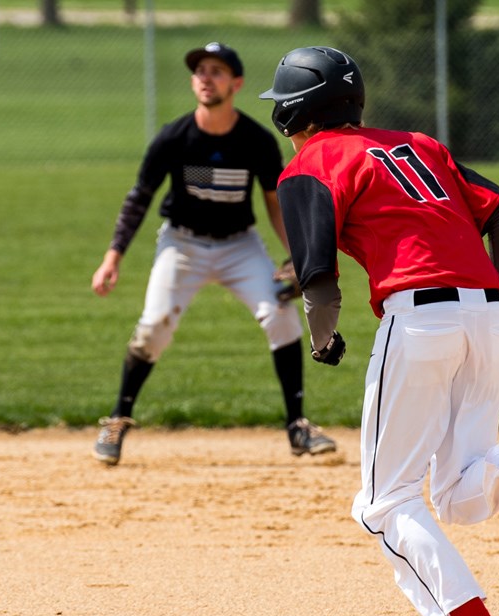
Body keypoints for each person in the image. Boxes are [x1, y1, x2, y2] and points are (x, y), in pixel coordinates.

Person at [259, 46, 499, 616]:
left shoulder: (312, 161)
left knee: (382, 504)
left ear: (294, 111)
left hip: (419, 322)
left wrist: (322, 336)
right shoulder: (417, 143)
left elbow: (316, 275)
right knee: (459, 497)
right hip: (488, 318)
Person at [90, 42, 336, 466]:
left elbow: (276, 203)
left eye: (216, 71)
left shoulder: (256, 141)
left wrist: (297, 254)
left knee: (280, 317)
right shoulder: (174, 137)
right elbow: (139, 199)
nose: (206, 77)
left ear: (236, 83)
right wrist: (113, 256)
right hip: (182, 244)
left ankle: (297, 426)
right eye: (200, 70)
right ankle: (117, 419)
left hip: (239, 245)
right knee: (154, 328)